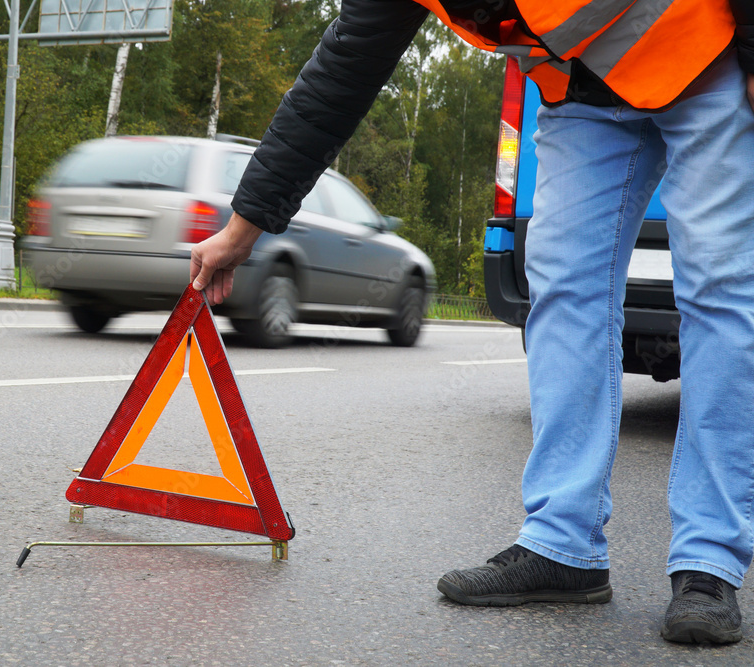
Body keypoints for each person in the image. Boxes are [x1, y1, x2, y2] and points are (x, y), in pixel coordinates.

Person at [190, 0, 754, 645]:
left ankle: (708, 564)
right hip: (582, 94)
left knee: (719, 292)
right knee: (564, 290)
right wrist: (246, 226)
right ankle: (562, 544)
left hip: (707, 58)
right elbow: (339, 76)